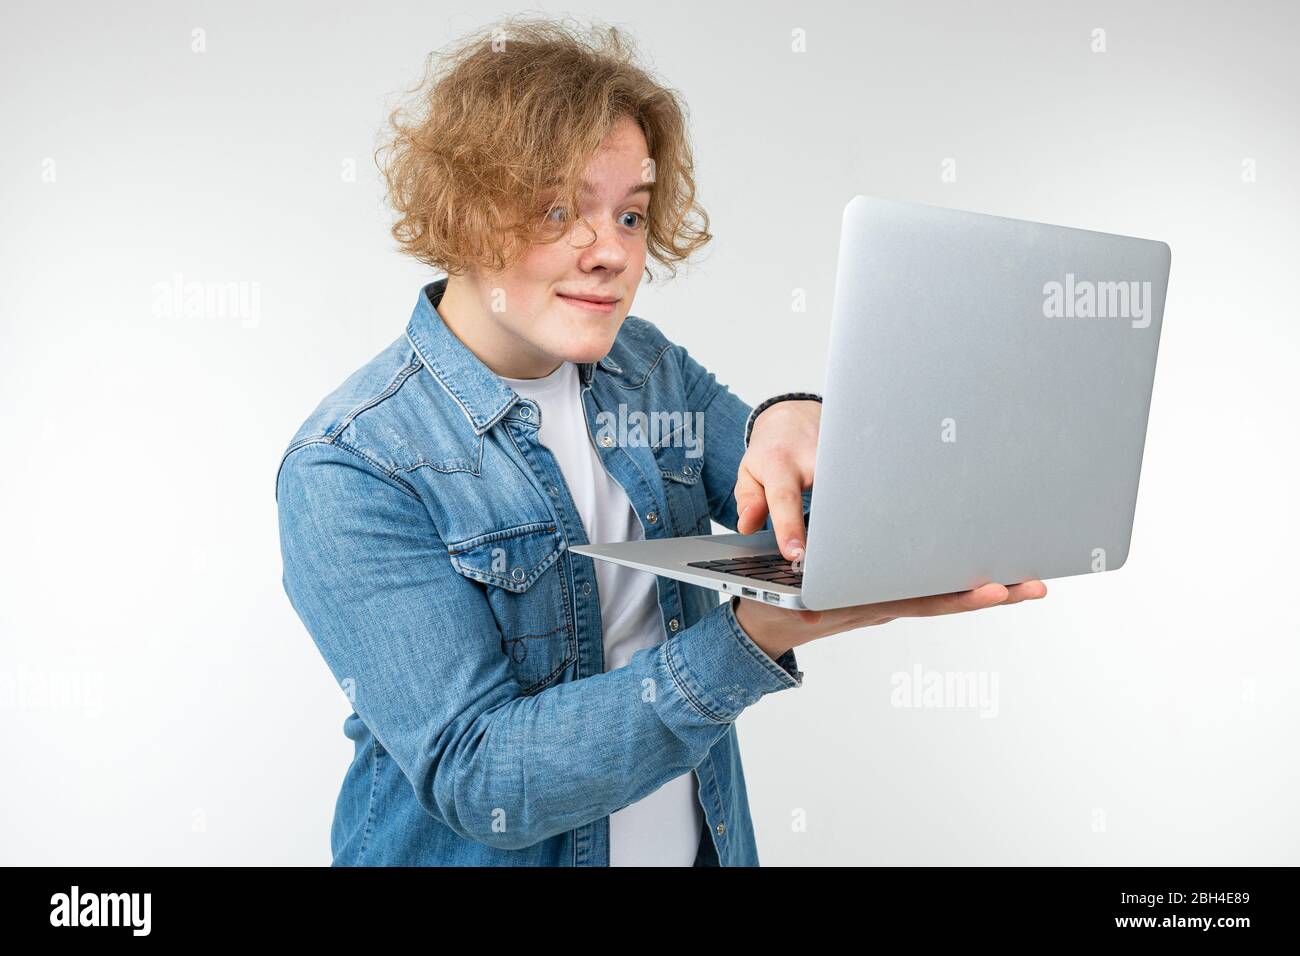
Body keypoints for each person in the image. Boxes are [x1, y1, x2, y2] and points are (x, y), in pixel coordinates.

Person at [275, 15, 1046, 867]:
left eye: (632, 216)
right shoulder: (351, 465)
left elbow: (793, 499)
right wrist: (752, 638)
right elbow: (480, 779)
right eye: (559, 209)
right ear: (464, 211)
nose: (610, 253)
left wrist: (795, 416)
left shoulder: (646, 370)